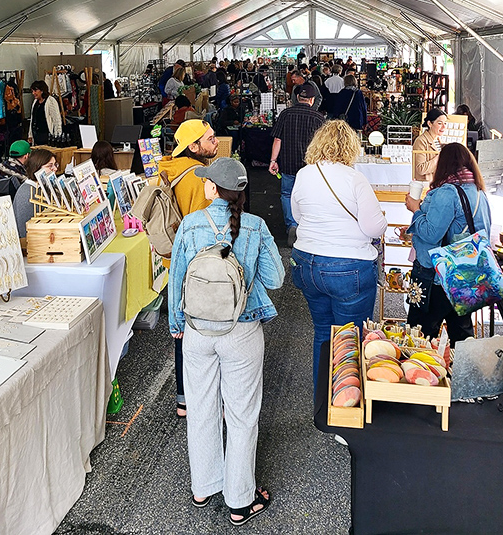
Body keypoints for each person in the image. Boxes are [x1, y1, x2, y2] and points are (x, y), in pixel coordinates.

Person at [168, 158, 284, 525]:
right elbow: (276, 278)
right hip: (242, 331)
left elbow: (176, 282)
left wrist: (176, 323)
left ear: (213, 189)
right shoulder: (255, 227)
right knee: (241, 415)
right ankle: (239, 501)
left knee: (200, 409)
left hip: (198, 333)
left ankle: (203, 486)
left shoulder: (190, 225)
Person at [290, 121, 387, 390]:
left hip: (307, 263)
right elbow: (373, 227)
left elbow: (298, 216)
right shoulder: (355, 178)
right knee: (348, 338)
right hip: (348, 267)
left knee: (323, 331)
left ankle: (321, 404)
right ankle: (344, 408)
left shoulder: (304, 174)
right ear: (350, 147)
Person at [158, 119, 219, 418]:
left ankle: (183, 399)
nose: (215, 142)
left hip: (174, 262)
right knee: (205, 331)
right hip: (198, 264)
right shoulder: (199, 178)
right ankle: (206, 397)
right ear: (193, 146)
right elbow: (205, 223)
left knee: (180, 333)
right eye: (209, 139)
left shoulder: (167, 170)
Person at [404, 142, 491, 344]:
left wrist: (415, 210)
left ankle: (423, 373)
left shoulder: (447, 192)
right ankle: (460, 373)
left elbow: (431, 233)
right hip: (466, 273)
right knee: (460, 333)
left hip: (436, 274)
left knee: (421, 333)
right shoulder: (479, 191)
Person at [270, 84, 325, 246]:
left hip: (287, 163)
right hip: (310, 166)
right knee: (310, 194)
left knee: (287, 194)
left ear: (297, 98)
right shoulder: (318, 118)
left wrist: (273, 161)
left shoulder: (286, 114)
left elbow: (277, 139)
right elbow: (322, 145)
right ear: (312, 99)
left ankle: (292, 225)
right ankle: (306, 226)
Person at [13, 149, 58, 237]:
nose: (55, 169)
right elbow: (24, 233)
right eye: (50, 166)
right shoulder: (27, 194)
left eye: (55, 164)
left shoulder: (42, 186)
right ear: (36, 168)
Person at [412, 108, 447, 183]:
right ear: (430, 124)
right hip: (426, 184)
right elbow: (421, 169)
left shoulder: (439, 140)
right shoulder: (421, 141)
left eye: (445, 123)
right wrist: (440, 157)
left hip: (438, 183)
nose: (443, 127)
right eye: (440, 123)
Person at [29, 81, 63, 146]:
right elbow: (33, 118)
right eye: (32, 91)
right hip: (36, 134)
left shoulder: (51, 101)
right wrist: (30, 134)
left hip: (46, 135)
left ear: (42, 90)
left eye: (35, 90)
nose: (33, 93)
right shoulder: (35, 102)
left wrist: (57, 135)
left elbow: (56, 119)